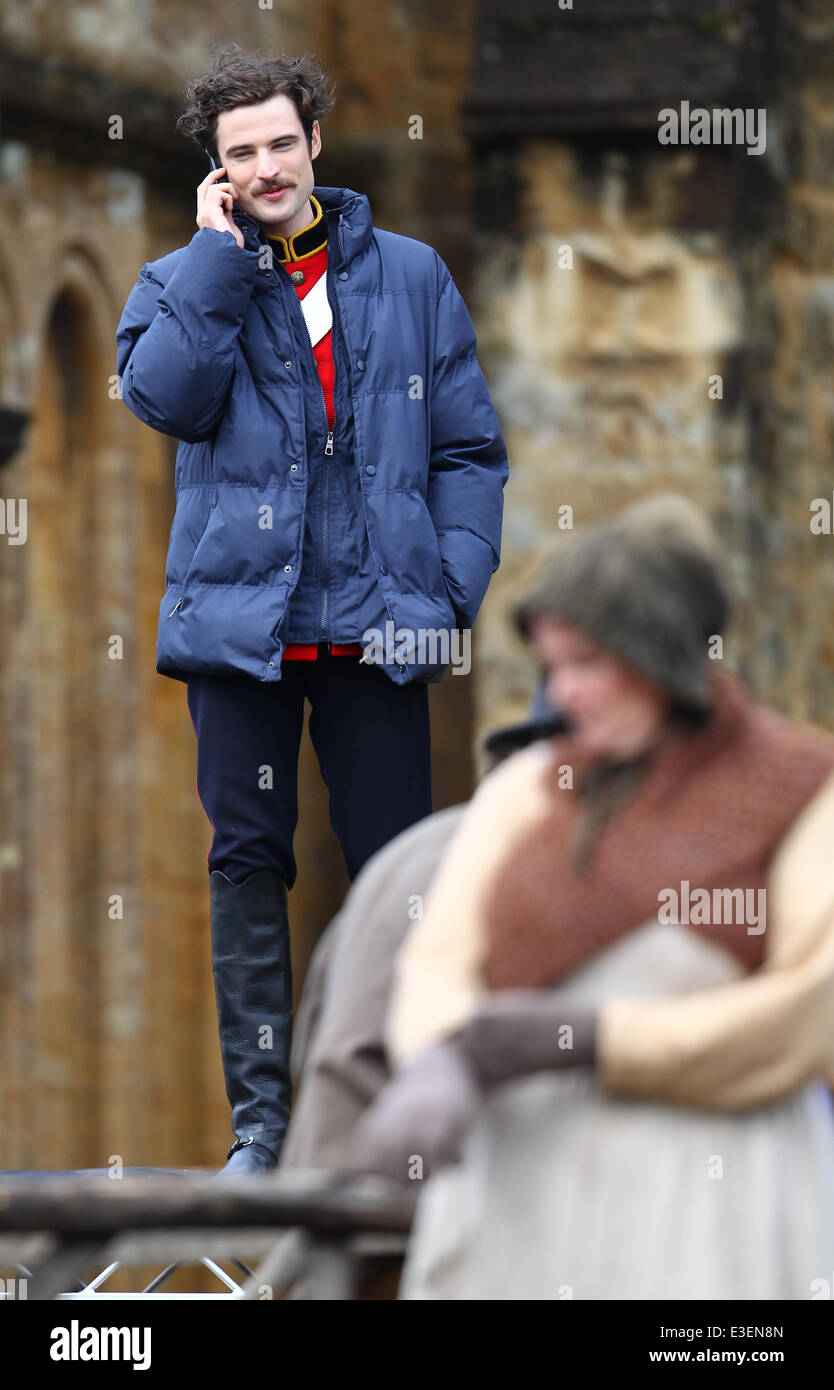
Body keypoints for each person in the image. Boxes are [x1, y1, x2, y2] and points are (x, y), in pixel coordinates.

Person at [114, 44, 508, 1175]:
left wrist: (447, 588)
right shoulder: (183, 282)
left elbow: (470, 451)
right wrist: (214, 260)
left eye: (282, 141)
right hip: (245, 629)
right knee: (247, 860)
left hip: (380, 622)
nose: (268, 166)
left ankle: (392, 1115)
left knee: (396, 867)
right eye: (242, 154)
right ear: (219, 173)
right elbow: (168, 398)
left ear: (316, 142)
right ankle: (261, 1129)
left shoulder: (414, 276)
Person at [352, 495, 834, 1299]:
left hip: (711, 1186)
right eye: (552, 666)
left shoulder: (798, 794)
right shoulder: (529, 790)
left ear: (658, 655)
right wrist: (444, 1056)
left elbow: (809, 1006)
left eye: (586, 663)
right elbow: (439, 961)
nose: (562, 693)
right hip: (527, 1189)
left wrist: (590, 1039)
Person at [279, 676, 563, 1173]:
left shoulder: (407, 855)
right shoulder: (543, 863)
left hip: (327, 1200)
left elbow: (314, 1040)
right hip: (398, 1221)